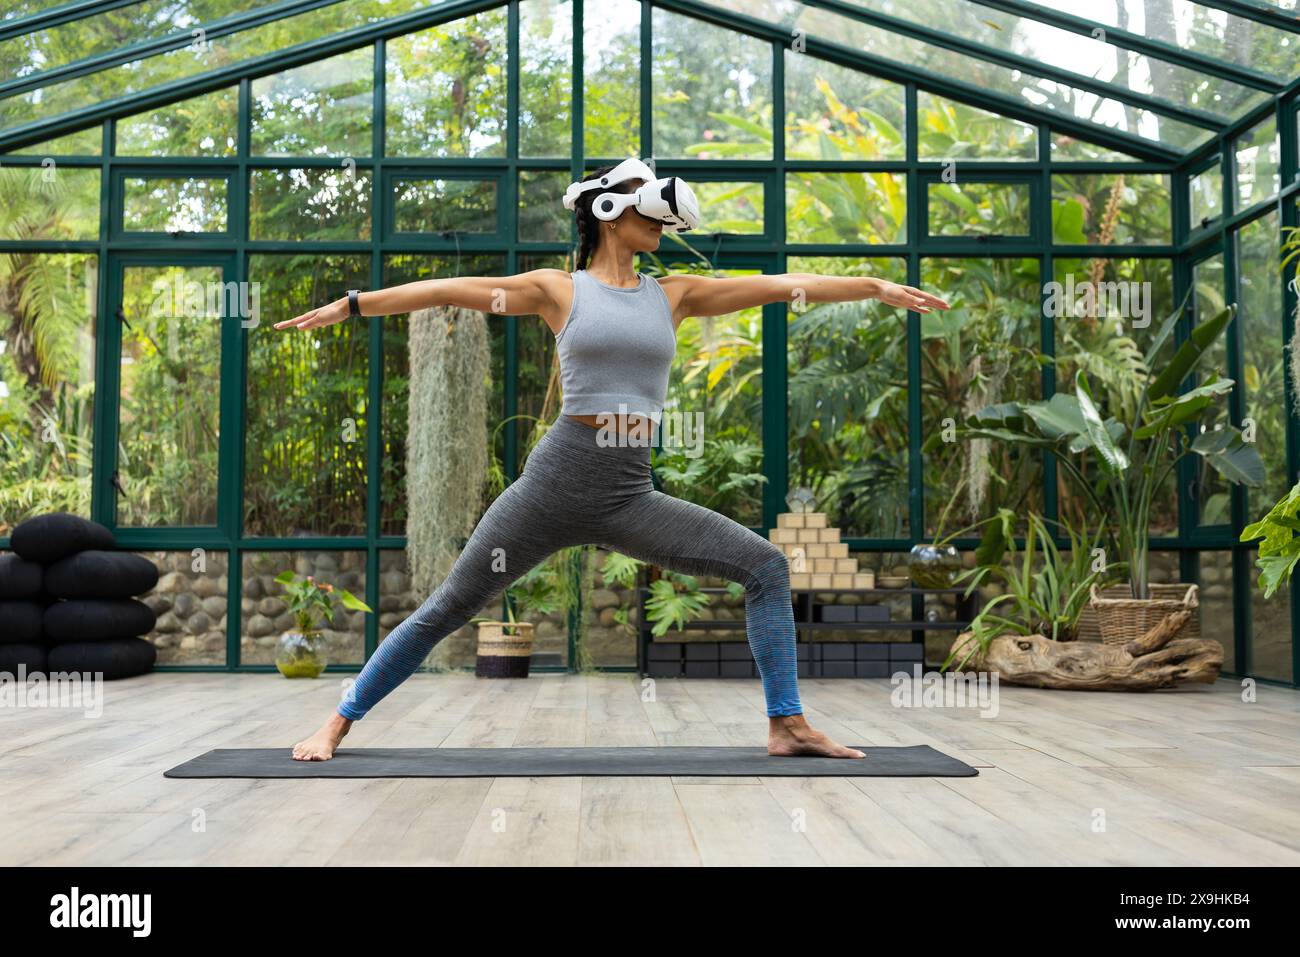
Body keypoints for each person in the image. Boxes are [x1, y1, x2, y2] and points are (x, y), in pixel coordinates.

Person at [275, 158, 949, 761]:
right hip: (553, 484)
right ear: (606, 210)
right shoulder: (556, 289)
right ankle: (336, 722)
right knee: (449, 605)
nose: (658, 215)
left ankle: (787, 723)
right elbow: (449, 288)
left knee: (766, 566)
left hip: (630, 494)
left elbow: (777, 285)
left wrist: (873, 285)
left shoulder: (674, 293)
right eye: (640, 199)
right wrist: (355, 304)